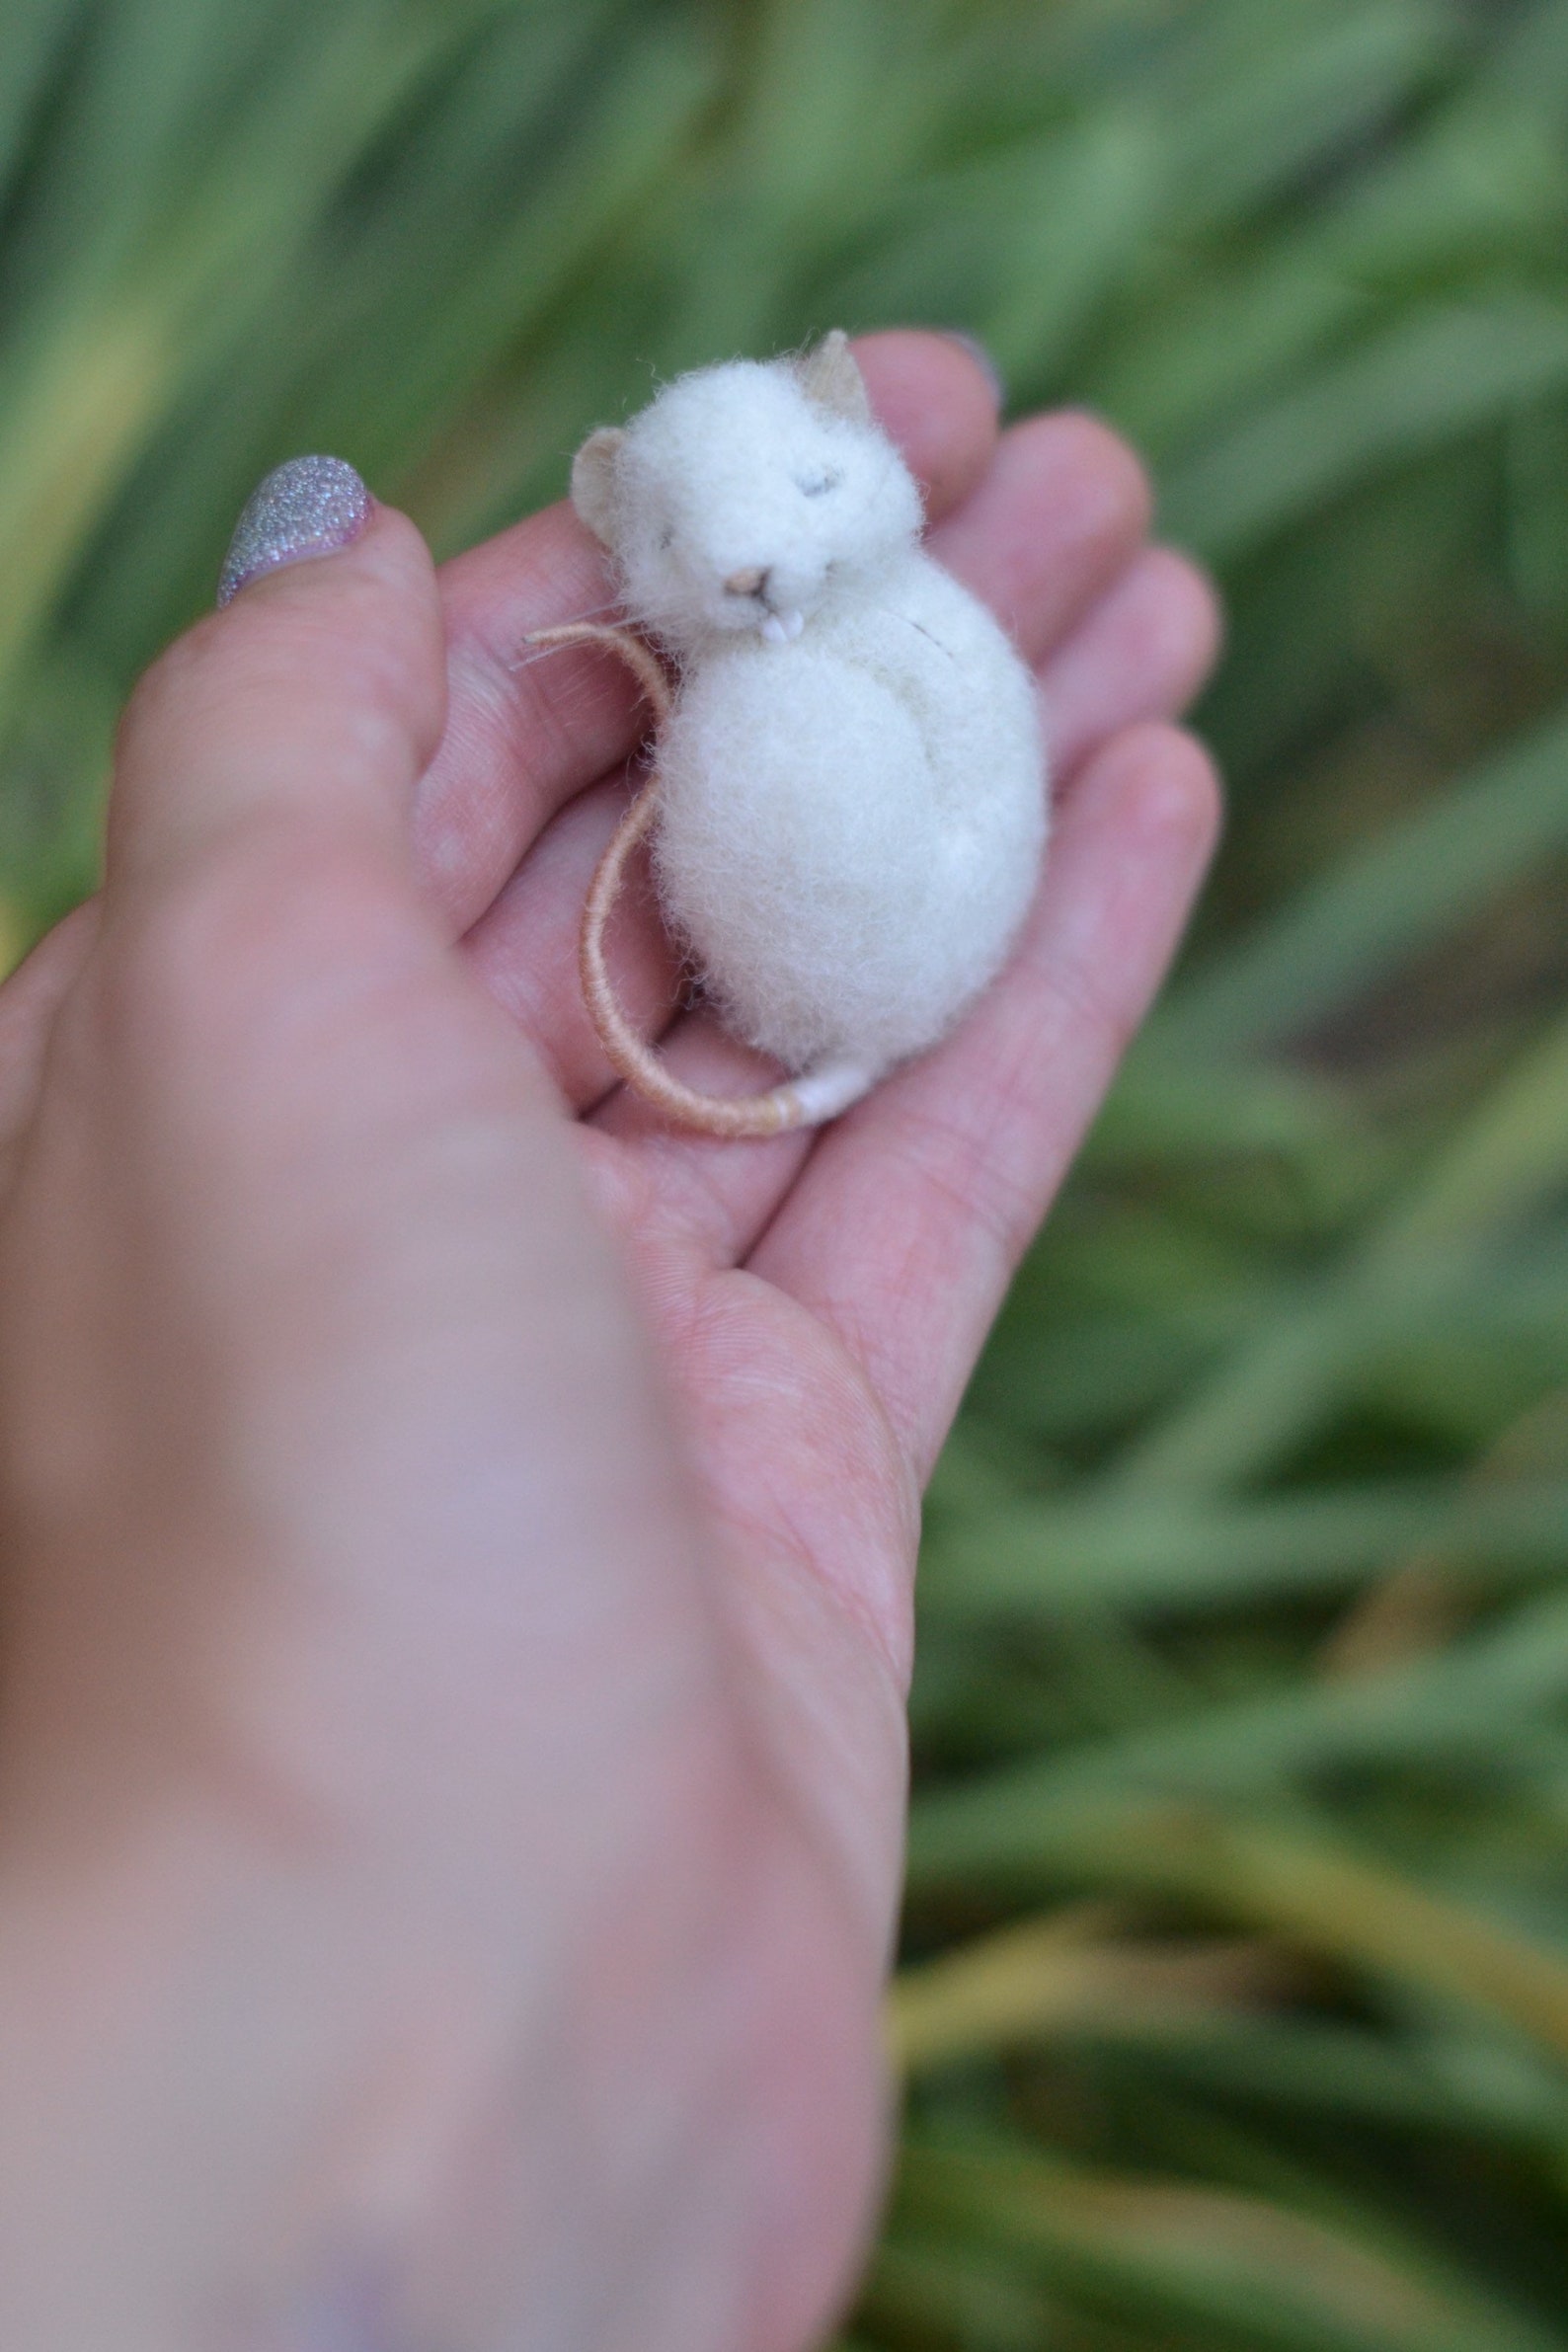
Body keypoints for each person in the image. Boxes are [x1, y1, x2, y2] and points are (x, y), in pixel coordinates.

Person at [0, 332, 1219, 2350]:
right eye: (694, 543)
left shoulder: (860, 671)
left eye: (797, 504)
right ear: (621, 526)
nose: (747, 570)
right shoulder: (826, 656)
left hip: (902, 882)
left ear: (851, 455)